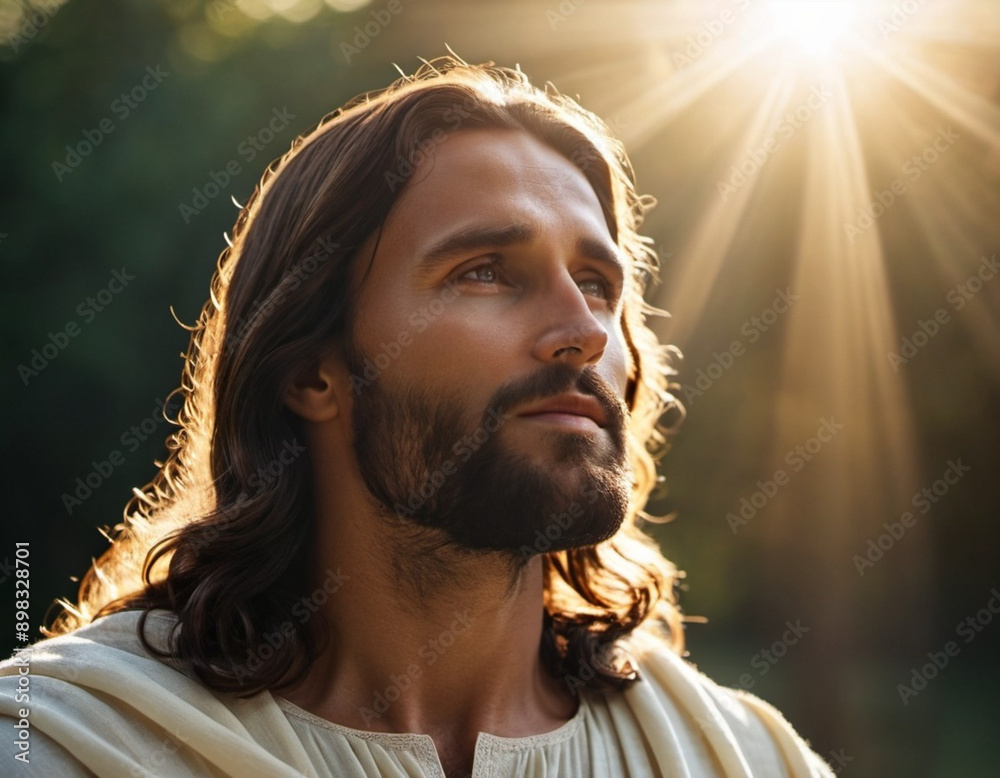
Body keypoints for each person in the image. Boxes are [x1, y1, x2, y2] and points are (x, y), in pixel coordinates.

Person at [1, 57, 834, 777]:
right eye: (485, 272)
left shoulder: (737, 758)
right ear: (310, 371)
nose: (583, 332)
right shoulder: (66, 745)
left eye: (598, 284)